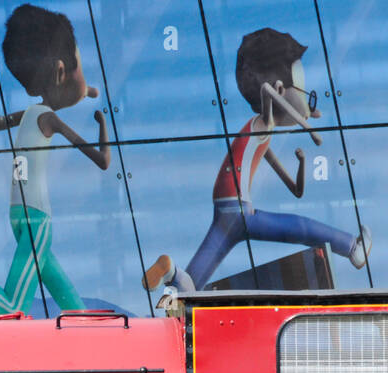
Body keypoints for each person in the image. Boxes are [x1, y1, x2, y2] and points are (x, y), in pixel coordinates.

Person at [143, 28, 369, 296]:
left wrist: (301, 163)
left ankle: (173, 275)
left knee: (195, 280)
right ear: (280, 89)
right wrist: (297, 114)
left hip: (224, 210)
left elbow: (294, 189)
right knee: (301, 227)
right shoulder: (263, 123)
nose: (307, 100)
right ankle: (352, 248)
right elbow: (267, 92)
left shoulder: (258, 133)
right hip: (239, 210)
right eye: (304, 92)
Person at [0, 4, 109, 316]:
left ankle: (86, 327)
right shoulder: (49, 119)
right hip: (37, 219)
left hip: (17, 216)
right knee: (13, 306)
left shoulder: (27, 114)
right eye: (79, 63)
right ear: (61, 71)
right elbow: (103, 160)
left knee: (62, 289)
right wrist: (103, 124)